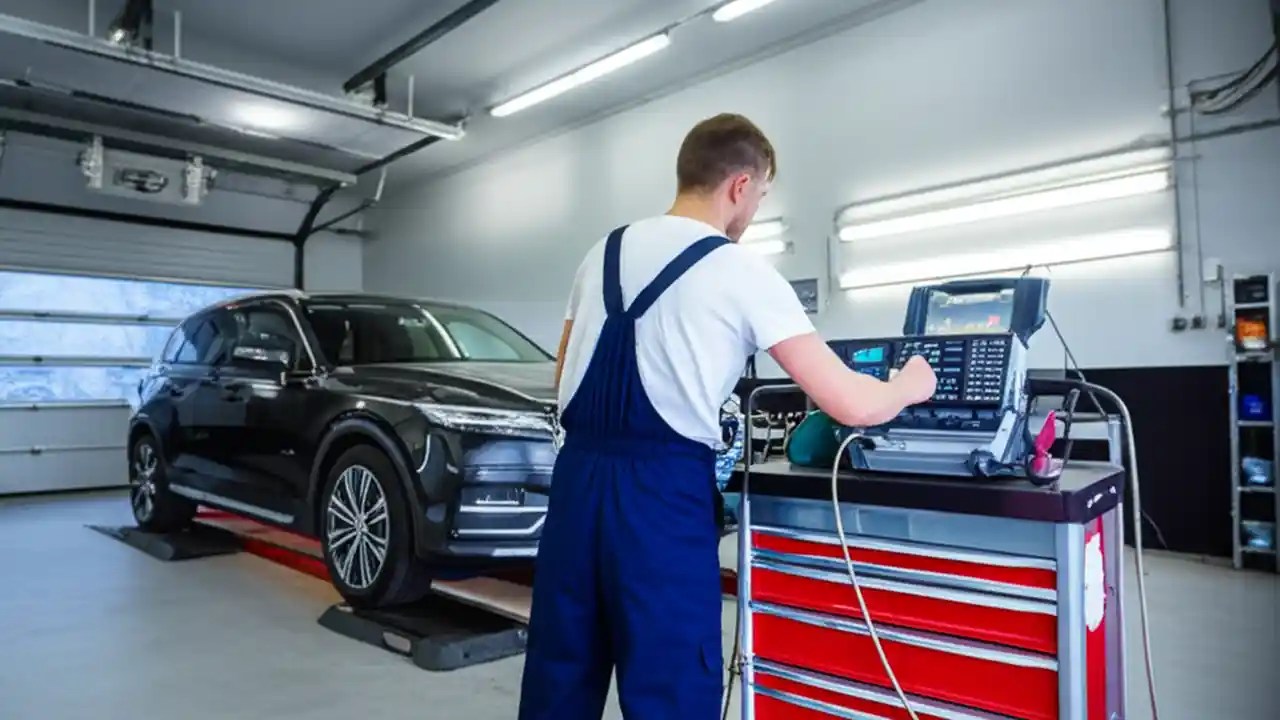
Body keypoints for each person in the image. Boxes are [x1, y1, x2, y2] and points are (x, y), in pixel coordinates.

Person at [517, 113, 938, 720]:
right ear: (741, 185)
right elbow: (850, 402)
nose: (755, 212)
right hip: (660, 506)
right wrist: (908, 384)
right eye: (761, 196)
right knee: (671, 691)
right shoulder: (741, 271)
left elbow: (563, 378)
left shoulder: (601, 253)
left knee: (558, 685)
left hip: (576, 493)